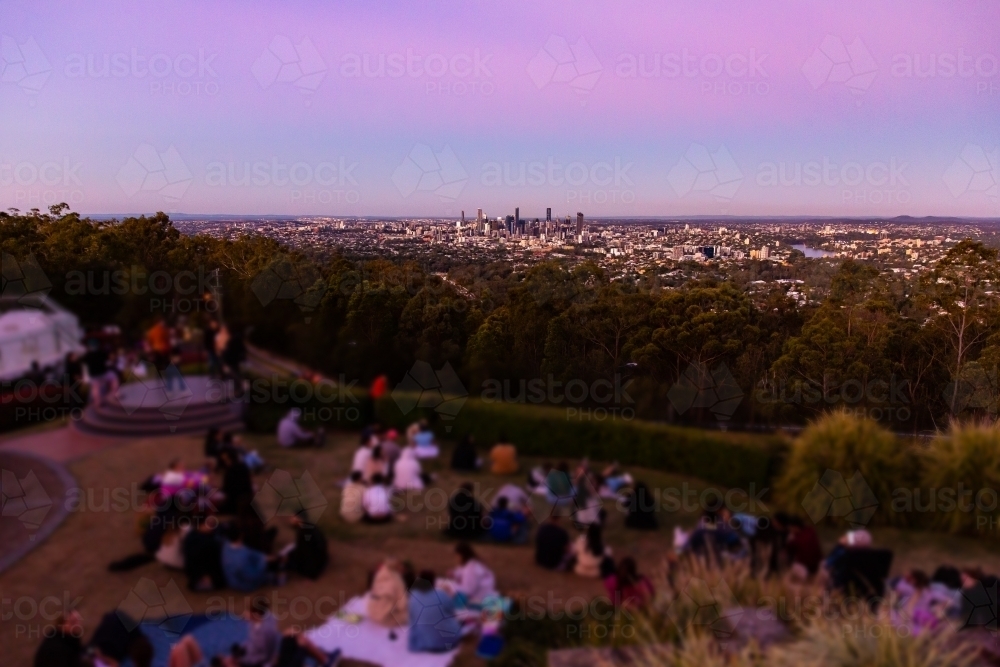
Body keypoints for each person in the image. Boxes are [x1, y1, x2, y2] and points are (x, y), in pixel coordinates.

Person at [408, 571, 462, 653]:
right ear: (433, 582)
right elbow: (452, 611)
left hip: (424, 643)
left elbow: (412, 618)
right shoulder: (441, 594)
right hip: (448, 641)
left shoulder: (413, 596)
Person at [231, 597, 281, 667]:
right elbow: (250, 641)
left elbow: (266, 654)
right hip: (253, 651)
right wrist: (243, 649)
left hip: (259, 660)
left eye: (250, 611)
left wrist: (244, 659)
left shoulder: (266, 632)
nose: (247, 613)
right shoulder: (256, 621)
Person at [221, 524, 273, 592]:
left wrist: (261, 556)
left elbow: (250, 553)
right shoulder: (241, 559)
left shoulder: (226, 545)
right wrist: (262, 561)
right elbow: (253, 576)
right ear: (240, 536)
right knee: (268, 573)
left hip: (231, 581)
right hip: (245, 585)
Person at [183, 514, 225, 591]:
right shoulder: (207, 542)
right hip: (204, 576)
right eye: (209, 524)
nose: (212, 526)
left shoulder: (191, 536)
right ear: (201, 525)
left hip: (194, 576)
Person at [285, 515, 328, 580]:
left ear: (298, 518)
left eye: (293, 517)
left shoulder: (304, 532)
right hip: (321, 559)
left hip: (313, 566)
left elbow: (303, 551)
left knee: (287, 561)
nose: (290, 520)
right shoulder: (309, 526)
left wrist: (289, 556)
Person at [368, 559, 409, 627]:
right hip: (386, 611)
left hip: (377, 610)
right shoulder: (392, 578)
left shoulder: (384, 574)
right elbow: (400, 601)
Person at [218, 449, 253, 515]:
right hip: (247, 501)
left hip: (234, 503)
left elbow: (228, 489)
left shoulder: (230, 471)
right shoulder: (243, 466)